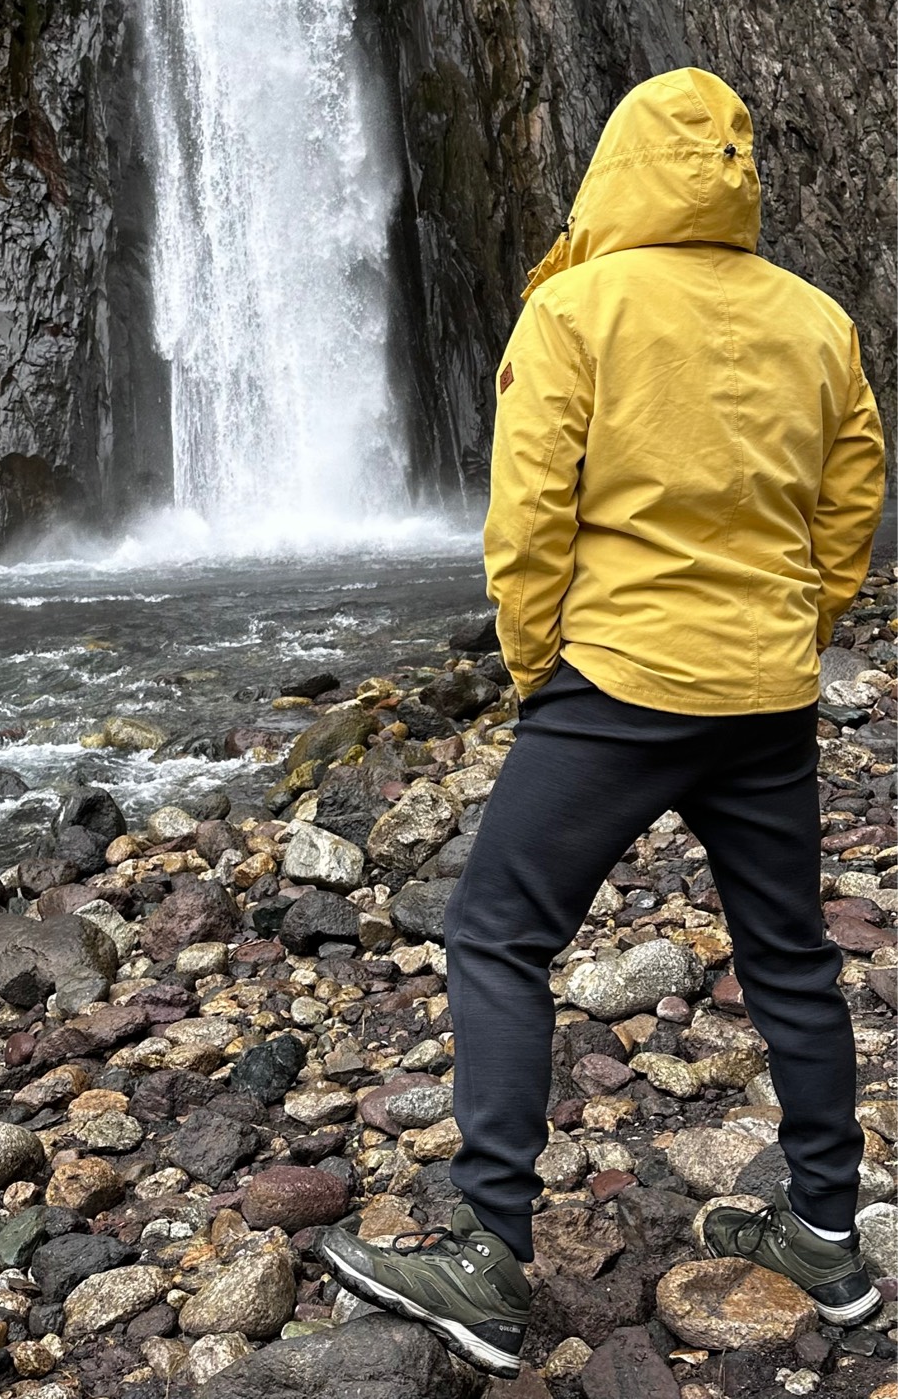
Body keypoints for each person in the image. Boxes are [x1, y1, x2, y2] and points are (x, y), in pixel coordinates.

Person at [322, 68, 887, 1379]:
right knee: (789, 957)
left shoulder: (574, 306)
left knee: (495, 935)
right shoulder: (814, 320)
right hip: (763, 691)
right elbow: (852, 490)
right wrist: (796, 625)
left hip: (616, 682)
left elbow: (525, 521)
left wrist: (538, 672)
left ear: (618, 167)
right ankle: (823, 1235)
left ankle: (484, 1253)